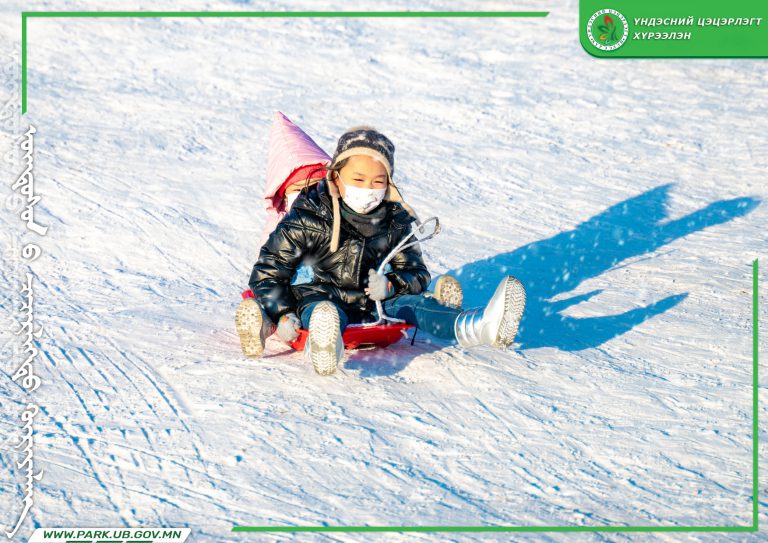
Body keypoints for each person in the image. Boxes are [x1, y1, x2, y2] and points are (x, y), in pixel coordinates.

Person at [242, 125, 526, 375]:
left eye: (378, 182)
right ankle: (325, 345)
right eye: (358, 179)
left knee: (417, 305)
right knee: (325, 311)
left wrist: (391, 286)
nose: (368, 189)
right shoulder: (309, 215)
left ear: (388, 182)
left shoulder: (394, 219)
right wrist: (282, 313)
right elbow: (269, 271)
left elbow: (415, 273)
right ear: (336, 176)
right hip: (318, 297)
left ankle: (479, 325)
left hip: (374, 304)